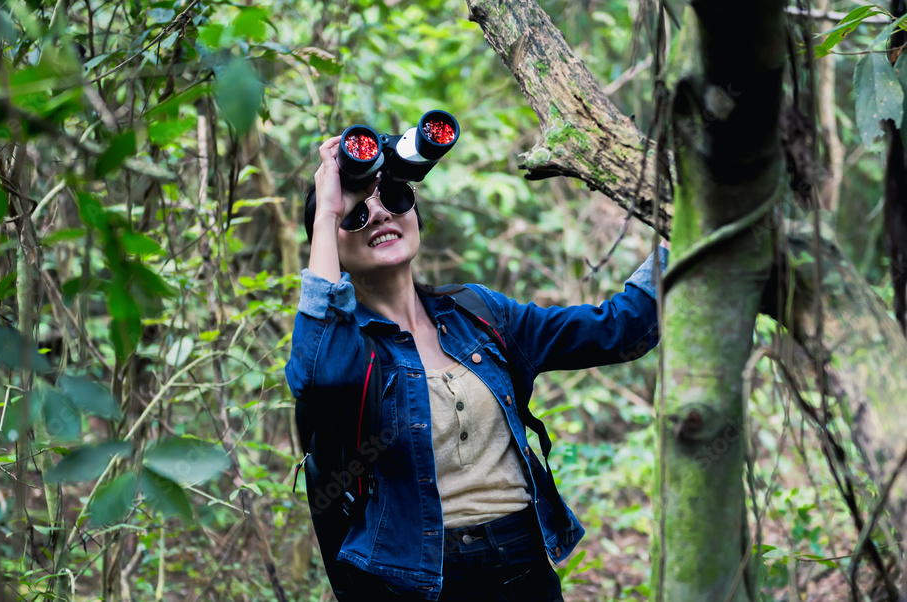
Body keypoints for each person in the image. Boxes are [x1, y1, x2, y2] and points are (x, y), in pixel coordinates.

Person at [285, 135, 669, 601]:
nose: (382, 214)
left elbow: (620, 330)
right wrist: (325, 214)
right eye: (356, 214)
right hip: (416, 584)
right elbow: (316, 376)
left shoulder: (477, 314)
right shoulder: (347, 350)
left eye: (394, 197)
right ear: (329, 247)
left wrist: (684, 228)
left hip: (524, 568)